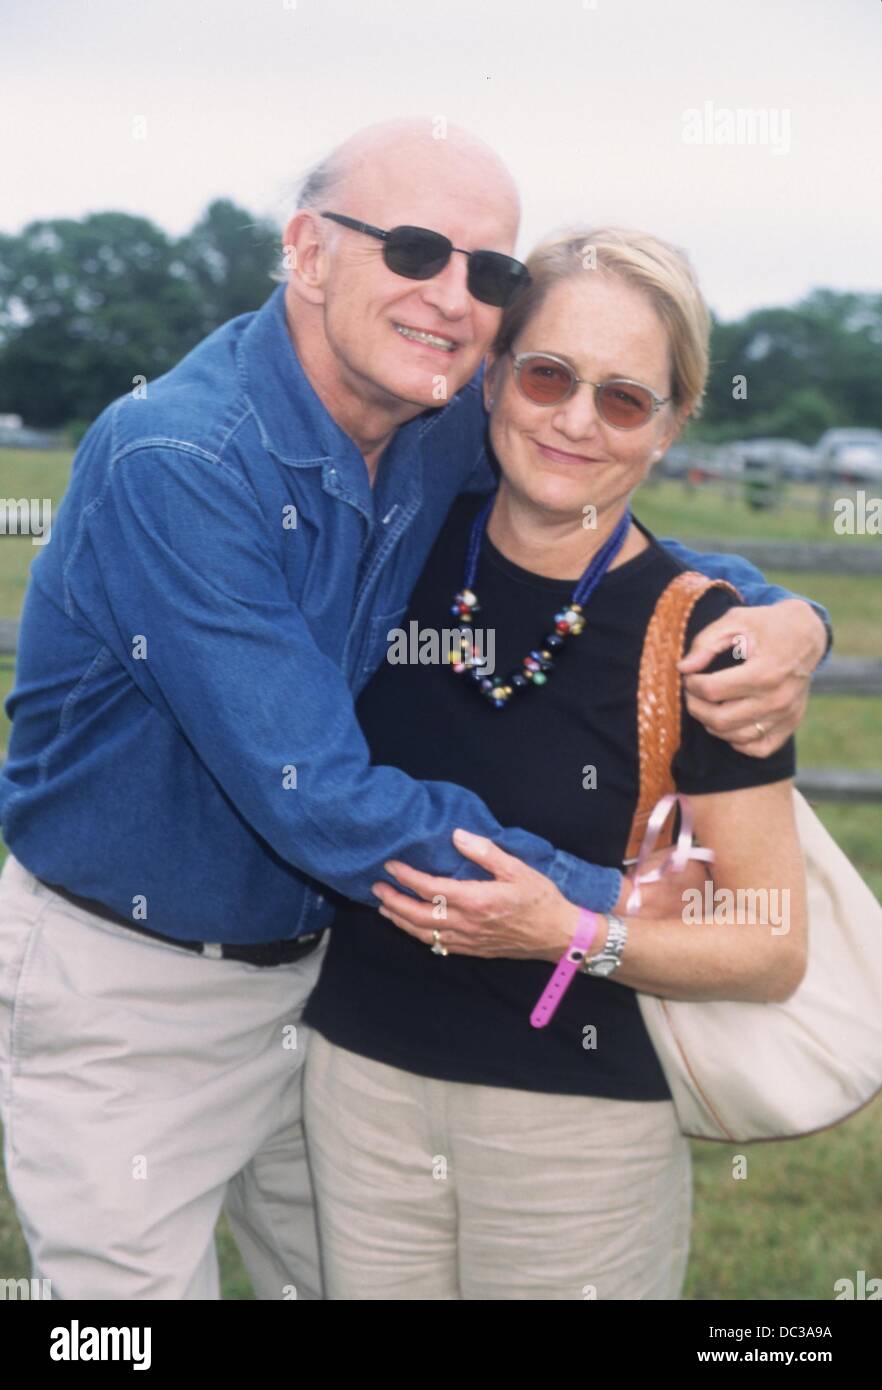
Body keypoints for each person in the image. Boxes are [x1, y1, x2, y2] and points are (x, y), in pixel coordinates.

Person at [0, 120, 826, 1301]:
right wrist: (608, 906)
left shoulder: (437, 425)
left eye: (489, 273)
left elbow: (601, 498)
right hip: (130, 982)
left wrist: (786, 612)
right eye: (415, 249)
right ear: (307, 249)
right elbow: (319, 794)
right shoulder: (177, 458)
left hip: (322, 987)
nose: (452, 296)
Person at [301, 225, 809, 1301]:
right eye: (547, 375)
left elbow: (769, 943)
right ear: (490, 380)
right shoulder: (391, 547)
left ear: (670, 427)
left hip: (579, 1125)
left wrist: (569, 932)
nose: (576, 421)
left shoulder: (712, 637)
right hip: (357, 1089)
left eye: (624, 399)